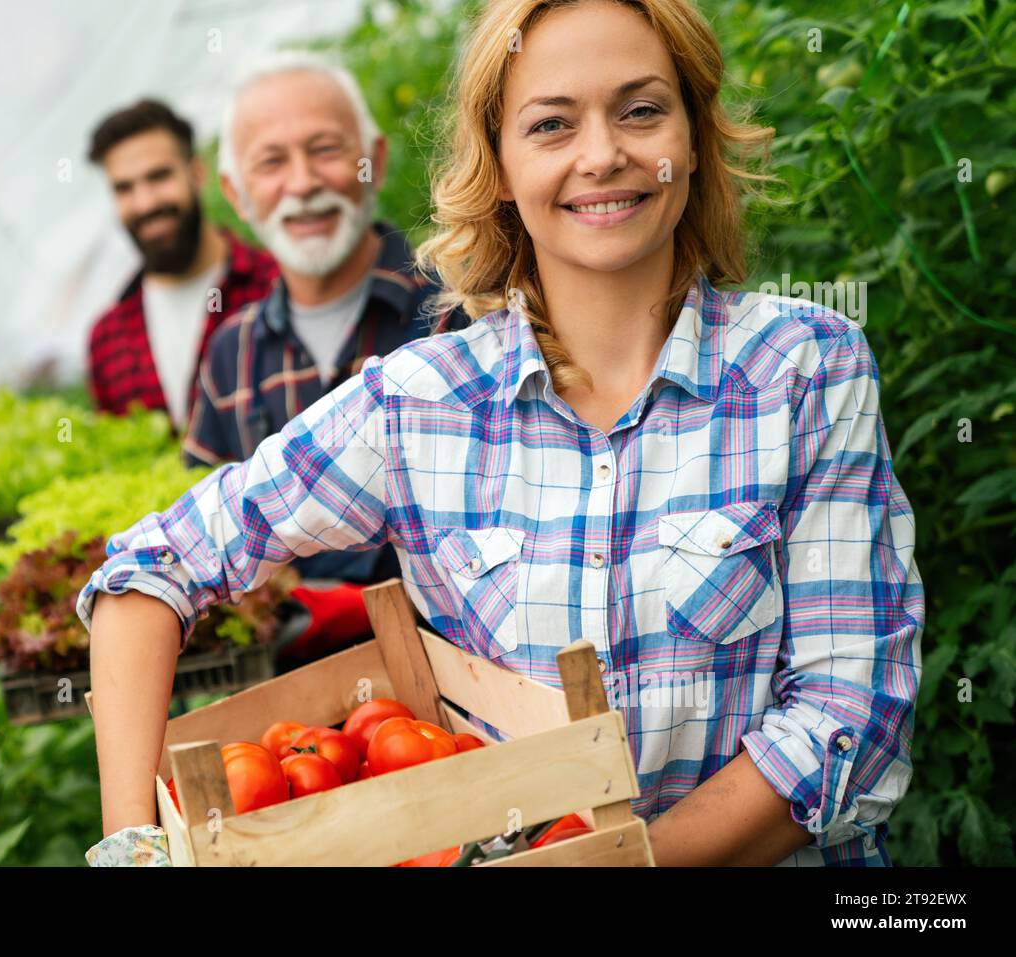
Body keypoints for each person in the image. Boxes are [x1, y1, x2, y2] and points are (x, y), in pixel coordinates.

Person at [79, 0, 923, 868]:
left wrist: (624, 861)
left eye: (641, 109)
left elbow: (845, 709)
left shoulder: (805, 370)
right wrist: (130, 846)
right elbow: (147, 572)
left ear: (695, 136)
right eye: (551, 124)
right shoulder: (421, 402)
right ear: (502, 167)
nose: (602, 154)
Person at [182, 50, 467, 590]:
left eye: (325, 150)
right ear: (235, 194)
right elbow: (205, 540)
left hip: (460, 668)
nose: (303, 182)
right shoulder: (231, 355)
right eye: (271, 163)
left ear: (375, 161)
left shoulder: (459, 310)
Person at [85, 99, 279, 427]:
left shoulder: (275, 285)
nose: (145, 202)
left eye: (159, 177)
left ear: (198, 173)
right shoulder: (108, 339)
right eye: (124, 188)